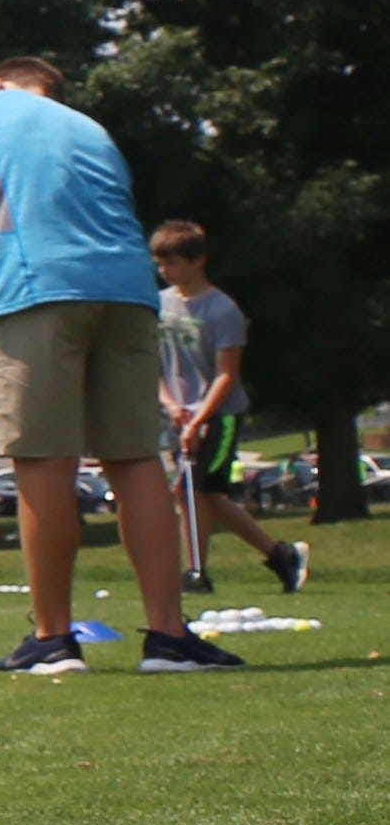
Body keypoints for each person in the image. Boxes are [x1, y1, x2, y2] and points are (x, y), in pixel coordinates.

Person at [0, 58, 238, 674]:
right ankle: (170, 638)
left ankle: (52, 639)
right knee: (135, 459)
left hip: (38, 290)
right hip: (129, 296)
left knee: (43, 460)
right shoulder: (92, 130)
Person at [152, 220, 308, 598]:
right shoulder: (159, 304)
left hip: (219, 414)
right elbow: (153, 364)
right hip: (180, 413)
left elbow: (226, 375)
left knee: (200, 490)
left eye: (172, 263)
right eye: (160, 264)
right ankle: (276, 555)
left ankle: (198, 572)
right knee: (195, 492)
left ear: (199, 260)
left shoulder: (222, 311)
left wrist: (199, 418)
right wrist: (171, 404)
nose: (165, 271)